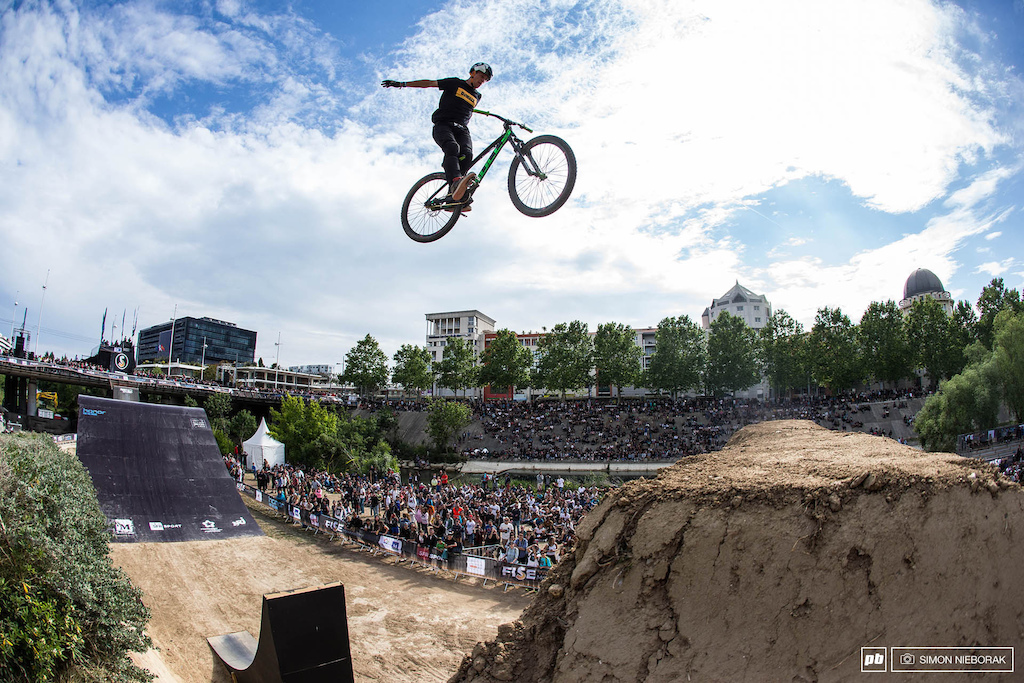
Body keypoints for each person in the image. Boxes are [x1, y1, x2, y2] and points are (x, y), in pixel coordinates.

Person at [382, 63, 493, 207]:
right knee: (453, 148)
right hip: (444, 124)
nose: (481, 81)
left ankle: (454, 197)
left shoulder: (477, 96)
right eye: (481, 76)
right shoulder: (455, 83)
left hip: (462, 129)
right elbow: (428, 83)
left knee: (467, 155)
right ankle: (455, 182)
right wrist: (402, 84)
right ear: (472, 72)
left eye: (485, 80)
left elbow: (465, 108)